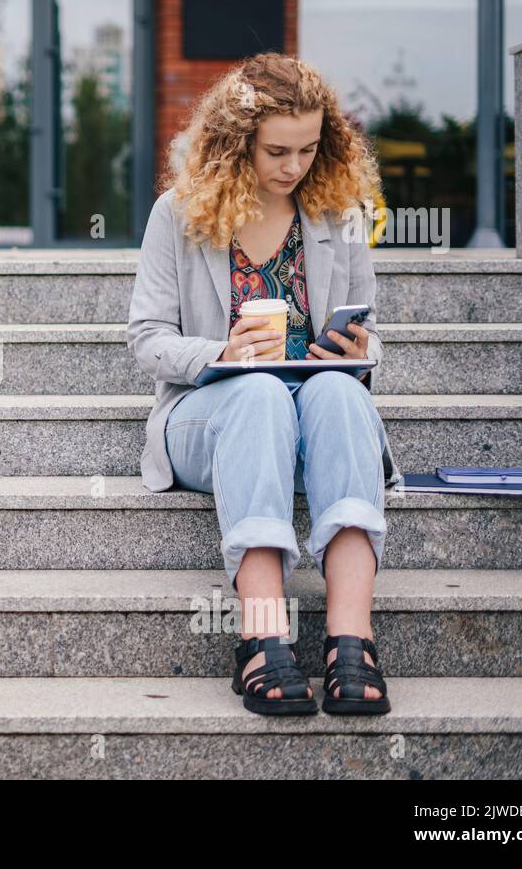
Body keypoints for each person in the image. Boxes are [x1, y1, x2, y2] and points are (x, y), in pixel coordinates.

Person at [126, 53, 402, 716]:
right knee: (258, 392)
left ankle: (351, 640)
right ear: (235, 142)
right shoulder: (178, 214)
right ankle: (260, 636)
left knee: (341, 389)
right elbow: (147, 339)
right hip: (212, 413)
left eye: (309, 149)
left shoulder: (339, 215)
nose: (294, 166)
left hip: (316, 410)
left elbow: (372, 333)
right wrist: (222, 351)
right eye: (277, 150)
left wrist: (362, 350)